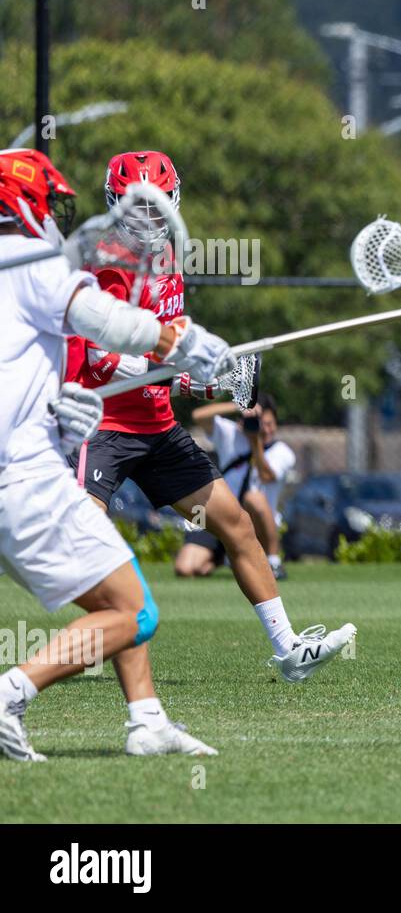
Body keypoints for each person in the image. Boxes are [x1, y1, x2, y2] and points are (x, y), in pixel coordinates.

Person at [64, 150, 354, 684]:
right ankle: (92, 646)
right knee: (89, 540)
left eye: (157, 210)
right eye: (136, 210)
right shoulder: (99, 266)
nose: (149, 223)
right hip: (100, 426)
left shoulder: (169, 260)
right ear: (114, 208)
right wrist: (178, 369)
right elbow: (104, 361)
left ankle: (289, 648)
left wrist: (204, 372)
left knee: (236, 525)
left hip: (155, 426)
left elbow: (172, 339)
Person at [0, 147, 230, 759]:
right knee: (133, 611)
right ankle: (12, 693)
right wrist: (182, 343)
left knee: (114, 591)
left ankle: (147, 719)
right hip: (20, 482)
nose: (54, 214)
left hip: (23, 466)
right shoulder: (30, 260)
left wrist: (56, 412)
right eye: (48, 202)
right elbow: (106, 319)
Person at [175, 393, 294, 580]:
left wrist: (255, 442)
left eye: (270, 424)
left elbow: (266, 475)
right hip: (224, 519)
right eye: (261, 423)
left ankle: (273, 561)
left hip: (257, 529)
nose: (266, 430)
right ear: (242, 422)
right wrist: (240, 406)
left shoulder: (282, 451)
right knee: (185, 568)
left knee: (253, 499)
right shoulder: (231, 434)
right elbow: (199, 416)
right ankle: (223, 557)